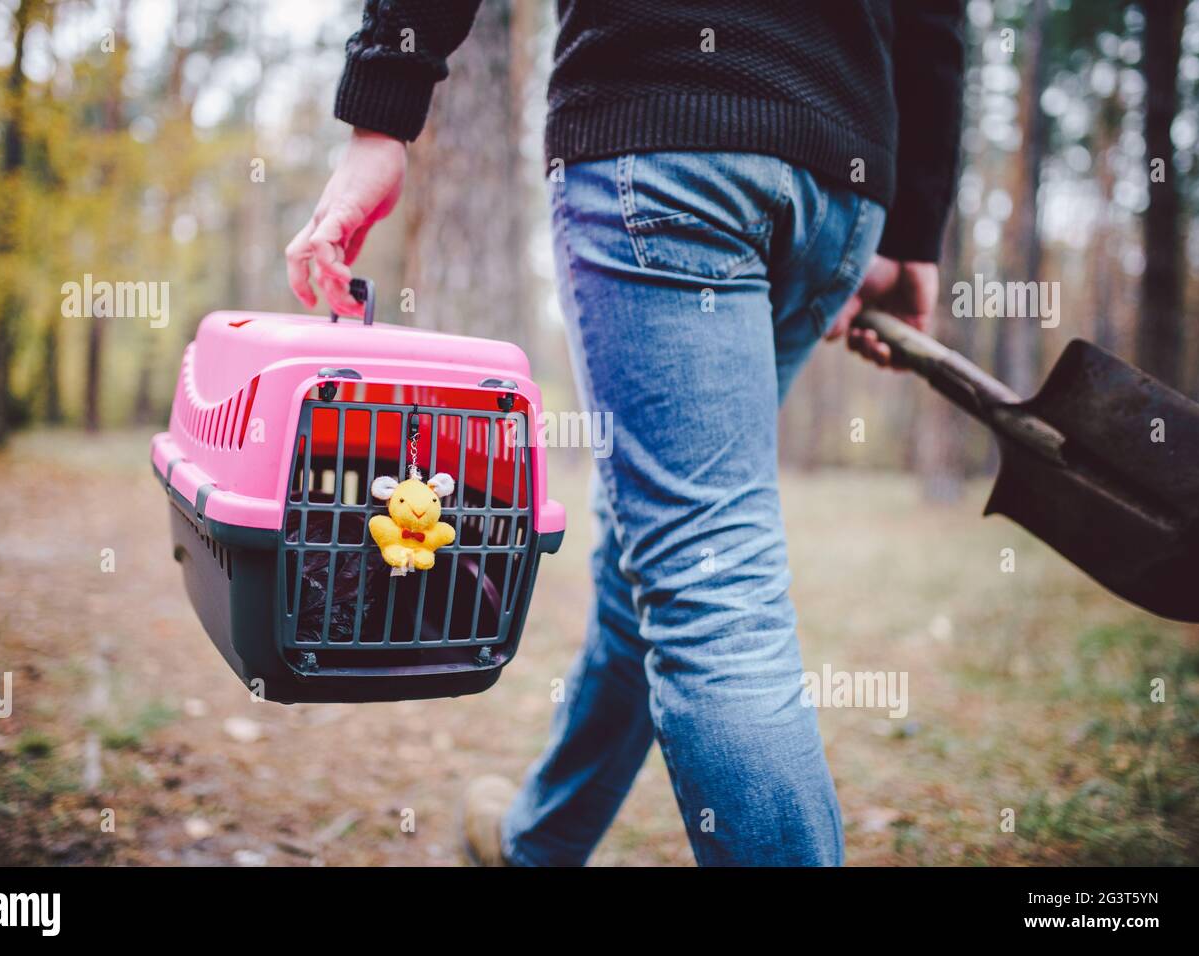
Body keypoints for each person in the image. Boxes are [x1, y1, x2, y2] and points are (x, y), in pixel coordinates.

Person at [287, 0, 964, 866]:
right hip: (840, 181)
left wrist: (382, 113)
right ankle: (541, 839)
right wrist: (911, 232)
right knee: (663, 541)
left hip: (668, 129)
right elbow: (937, 17)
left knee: (705, 571)